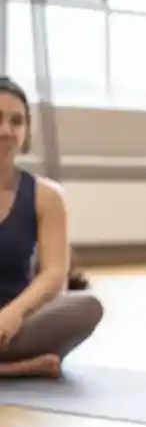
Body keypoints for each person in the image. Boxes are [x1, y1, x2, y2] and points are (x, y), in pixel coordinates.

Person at [0, 77, 103, 377]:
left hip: (15, 325)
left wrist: (13, 313)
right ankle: (16, 369)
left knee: (87, 307)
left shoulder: (47, 195)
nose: (6, 131)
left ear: (26, 132)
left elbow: (55, 273)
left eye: (16, 122)